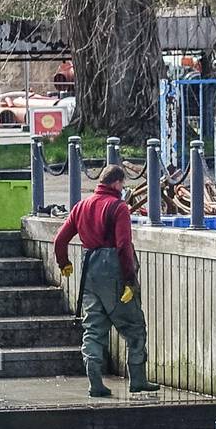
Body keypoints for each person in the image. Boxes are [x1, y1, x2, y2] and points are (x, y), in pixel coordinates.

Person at [53, 164, 159, 397]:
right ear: (116, 183)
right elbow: (123, 247)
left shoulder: (81, 206)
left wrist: (64, 264)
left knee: (93, 329)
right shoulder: (118, 207)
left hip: (89, 269)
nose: (123, 189)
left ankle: (95, 382)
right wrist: (130, 280)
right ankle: (138, 380)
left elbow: (60, 240)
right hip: (113, 270)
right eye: (122, 185)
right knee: (134, 327)